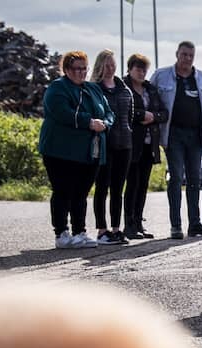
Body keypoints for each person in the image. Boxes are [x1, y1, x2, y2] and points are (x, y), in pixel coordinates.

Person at [38, 50, 114, 249]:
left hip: (89, 152)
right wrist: (88, 122)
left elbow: (108, 112)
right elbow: (62, 112)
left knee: (81, 192)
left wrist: (105, 123)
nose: (81, 72)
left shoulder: (93, 89)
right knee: (63, 190)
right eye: (77, 69)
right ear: (67, 69)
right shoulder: (57, 88)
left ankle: (80, 231)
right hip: (60, 151)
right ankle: (61, 233)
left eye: (84, 68)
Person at [150, 40, 202, 240]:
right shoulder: (162, 76)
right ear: (177, 54)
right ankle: (176, 225)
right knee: (176, 177)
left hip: (196, 135)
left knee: (195, 180)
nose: (187, 58)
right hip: (174, 134)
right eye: (184, 54)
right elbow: (152, 98)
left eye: (190, 55)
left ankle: (195, 224)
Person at [90, 50, 134, 246]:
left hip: (124, 144)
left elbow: (130, 116)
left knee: (118, 189)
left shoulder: (125, 89)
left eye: (112, 64)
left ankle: (117, 228)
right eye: (106, 65)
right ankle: (102, 230)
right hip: (104, 145)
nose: (110, 68)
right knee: (102, 188)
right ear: (100, 66)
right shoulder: (95, 89)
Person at [123, 53, 168, 240]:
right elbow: (124, 111)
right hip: (132, 143)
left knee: (142, 185)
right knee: (132, 184)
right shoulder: (123, 87)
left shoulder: (150, 89)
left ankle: (139, 222)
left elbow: (164, 113)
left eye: (144, 69)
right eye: (138, 68)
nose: (141, 73)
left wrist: (153, 117)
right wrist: (142, 115)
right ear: (130, 69)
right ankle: (129, 224)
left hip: (150, 144)